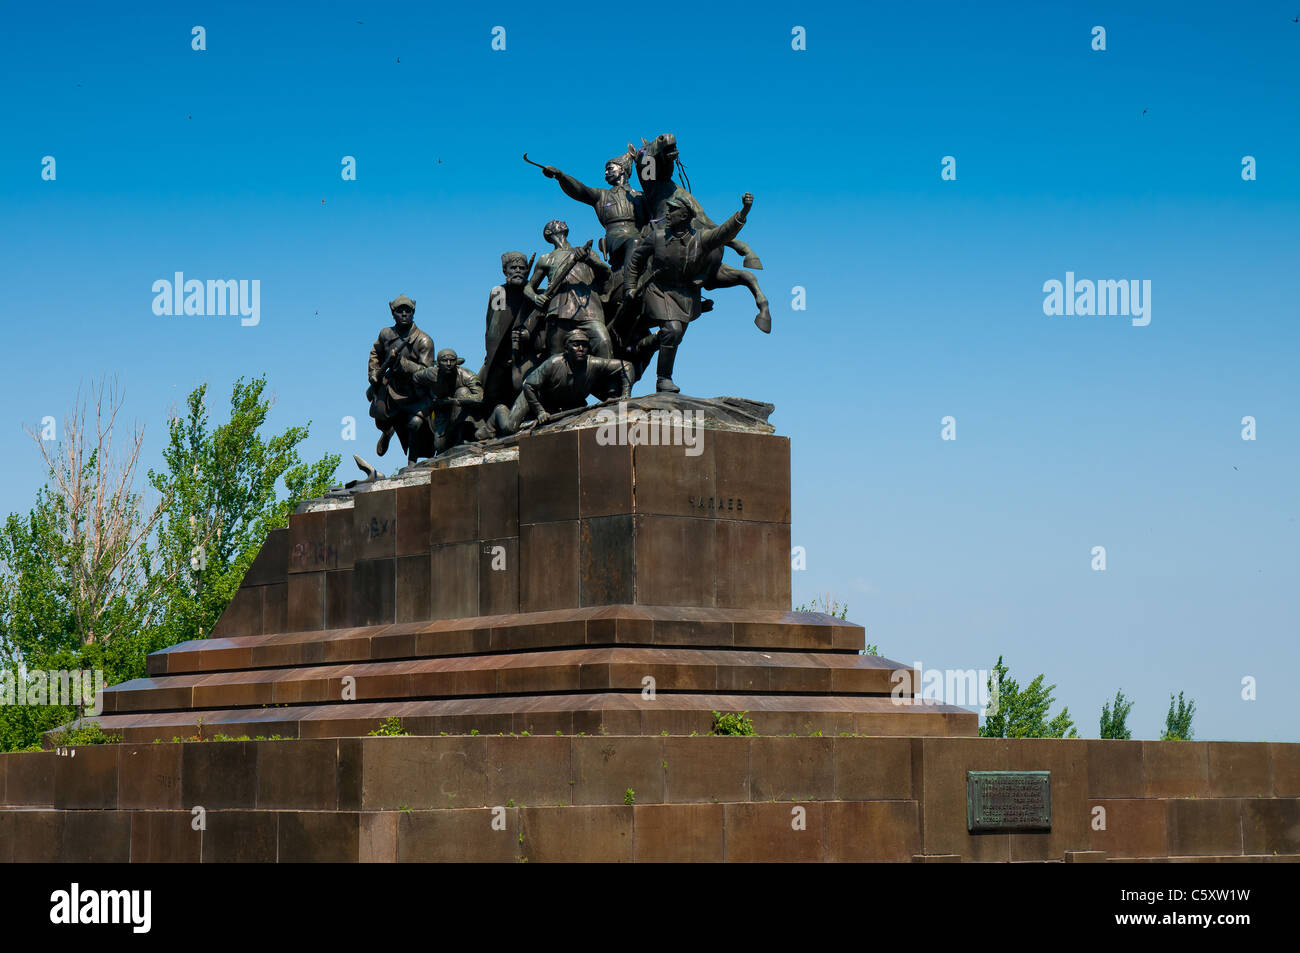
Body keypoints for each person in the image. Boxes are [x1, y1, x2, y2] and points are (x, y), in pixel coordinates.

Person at [624, 192, 753, 393]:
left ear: (684, 216)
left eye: (672, 210)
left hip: (685, 294)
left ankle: (648, 351)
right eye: (668, 209)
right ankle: (663, 379)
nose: (667, 213)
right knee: (673, 330)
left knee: (674, 337)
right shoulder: (657, 237)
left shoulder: (701, 239)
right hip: (659, 289)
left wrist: (743, 212)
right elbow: (635, 261)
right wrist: (630, 287)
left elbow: (723, 233)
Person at [484, 328, 632, 436]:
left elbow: (626, 366)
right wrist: (540, 411)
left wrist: (626, 393)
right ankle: (499, 412)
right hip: (535, 397)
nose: (581, 349)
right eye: (575, 345)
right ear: (566, 348)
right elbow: (528, 385)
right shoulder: (554, 363)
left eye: (584, 345)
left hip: (563, 402)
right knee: (510, 428)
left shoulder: (592, 363)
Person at [524, 220, 614, 359]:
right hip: (558, 312)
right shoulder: (546, 259)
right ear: (549, 232)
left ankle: (609, 379)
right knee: (555, 359)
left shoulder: (585, 251)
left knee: (604, 343)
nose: (562, 222)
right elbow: (528, 287)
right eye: (556, 222)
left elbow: (606, 272)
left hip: (589, 310)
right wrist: (536, 298)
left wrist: (588, 259)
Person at [538, 154, 643, 269]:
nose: (606, 173)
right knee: (635, 241)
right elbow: (580, 190)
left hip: (640, 236)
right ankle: (630, 284)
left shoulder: (640, 196)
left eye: (610, 169)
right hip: (616, 238)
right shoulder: (602, 195)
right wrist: (560, 176)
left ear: (622, 169)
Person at [367, 294, 435, 457]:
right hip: (391, 385)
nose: (404, 314)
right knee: (380, 416)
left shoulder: (424, 340)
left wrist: (402, 363)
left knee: (415, 426)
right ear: (392, 313)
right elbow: (375, 353)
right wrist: (374, 372)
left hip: (414, 391)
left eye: (408, 311)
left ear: (413, 312)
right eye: (399, 311)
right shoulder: (385, 334)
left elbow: (427, 372)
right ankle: (387, 431)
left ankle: (413, 458)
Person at [478, 251, 536, 411]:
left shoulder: (535, 293)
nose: (518, 271)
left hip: (526, 353)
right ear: (505, 271)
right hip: (501, 354)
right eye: (513, 268)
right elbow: (494, 328)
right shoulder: (499, 293)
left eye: (522, 268)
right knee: (484, 387)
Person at [409, 348, 484, 457]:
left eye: (452, 360)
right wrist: (427, 398)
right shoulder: (430, 374)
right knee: (440, 447)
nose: (449, 364)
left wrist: (455, 401)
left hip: (462, 409)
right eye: (445, 361)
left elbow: (480, 397)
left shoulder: (466, 375)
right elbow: (416, 378)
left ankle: (462, 437)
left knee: (462, 391)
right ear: (438, 364)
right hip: (441, 410)